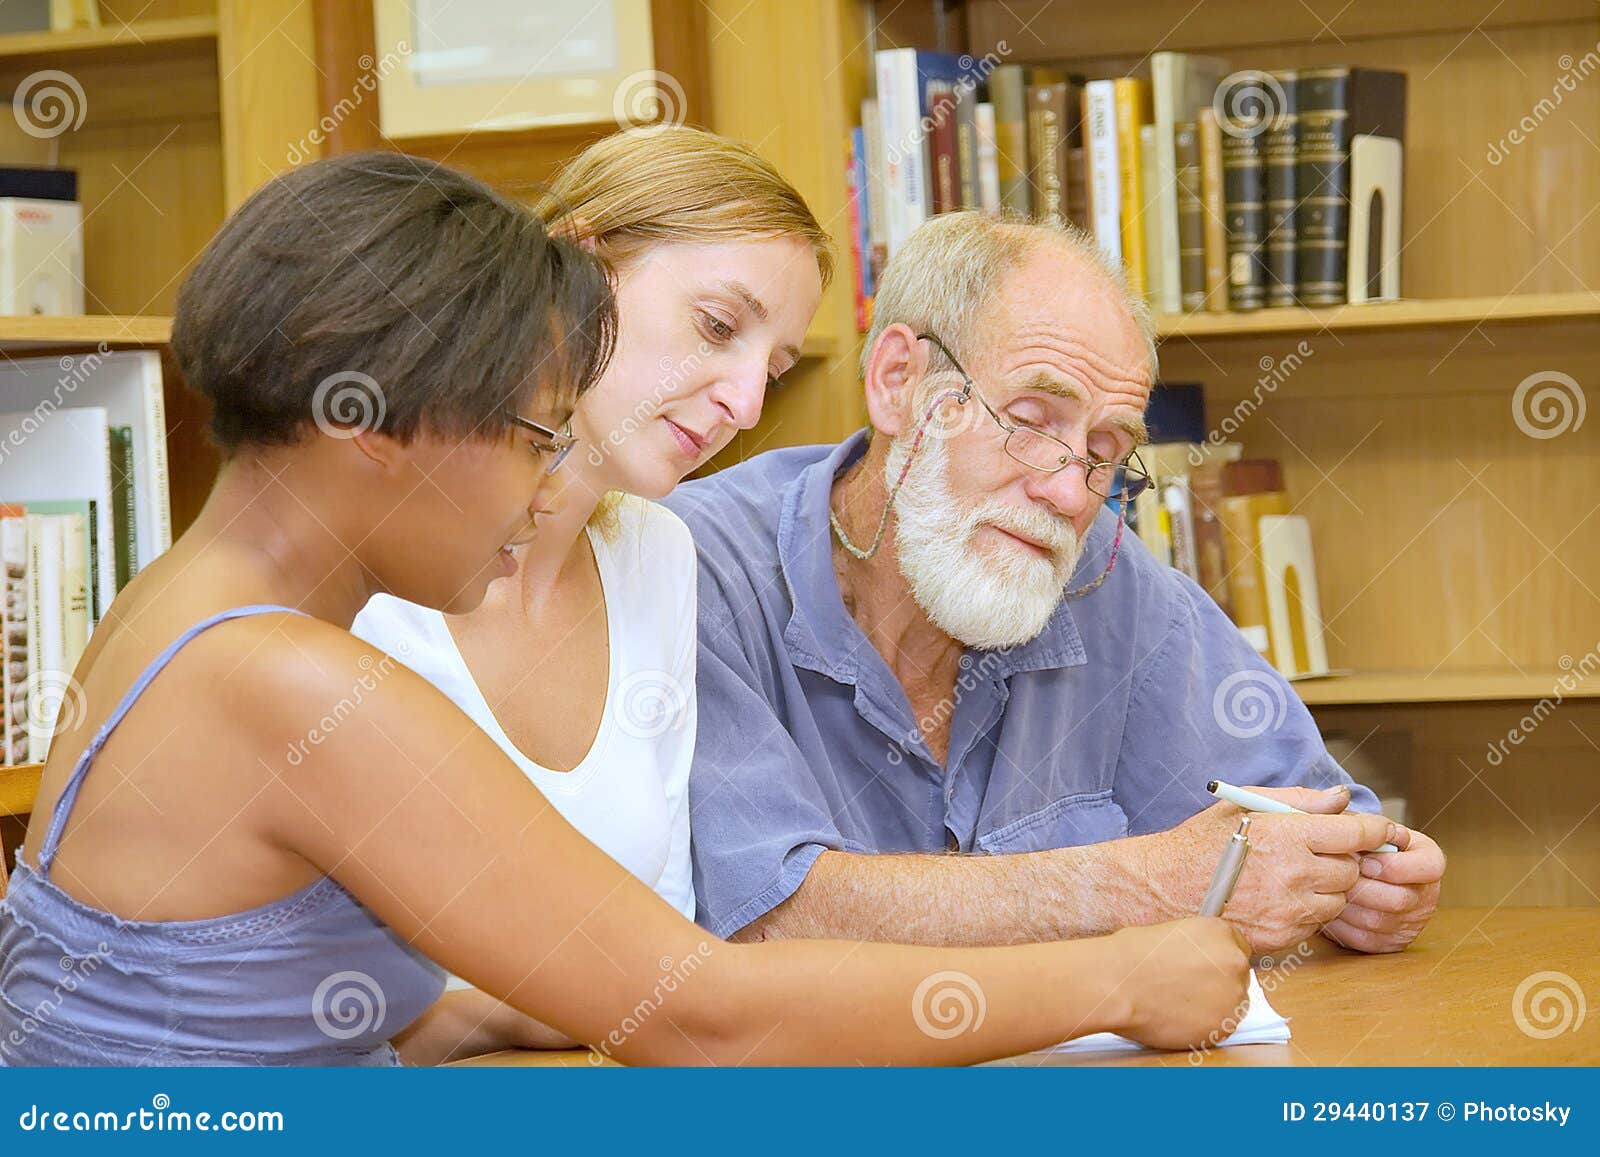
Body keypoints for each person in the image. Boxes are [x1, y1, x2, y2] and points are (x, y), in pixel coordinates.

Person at [0, 152, 1251, 1067]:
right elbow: (700, 1011)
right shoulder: (295, 685)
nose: (541, 485)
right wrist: (1121, 976)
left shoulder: (166, 608)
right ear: (378, 426)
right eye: (532, 433)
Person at [664, 210, 1443, 955]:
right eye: (1033, 419)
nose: (1071, 494)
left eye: (1104, 450)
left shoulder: (1100, 572)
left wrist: (1371, 881)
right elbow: (767, 918)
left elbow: (1322, 815)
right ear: (899, 379)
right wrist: (1140, 885)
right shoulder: (693, 566)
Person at [353, 127, 827, 1062]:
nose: (746, 404)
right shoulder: (369, 565)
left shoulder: (658, 556)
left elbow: (673, 946)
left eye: (772, 369)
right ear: (580, 263)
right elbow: (275, 1014)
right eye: (719, 327)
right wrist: (500, 1015)